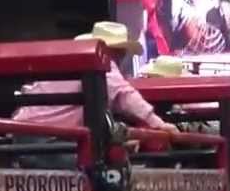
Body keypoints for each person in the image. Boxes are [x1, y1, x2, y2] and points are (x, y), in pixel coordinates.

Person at [13, 21, 180, 167]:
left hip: (29, 136)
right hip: (49, 142)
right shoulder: (100, 62)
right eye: (121, 51)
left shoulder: (71, 59)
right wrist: (158, 124)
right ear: (114, 50)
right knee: (101, 172)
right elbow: (124, 95)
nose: (122, 56)